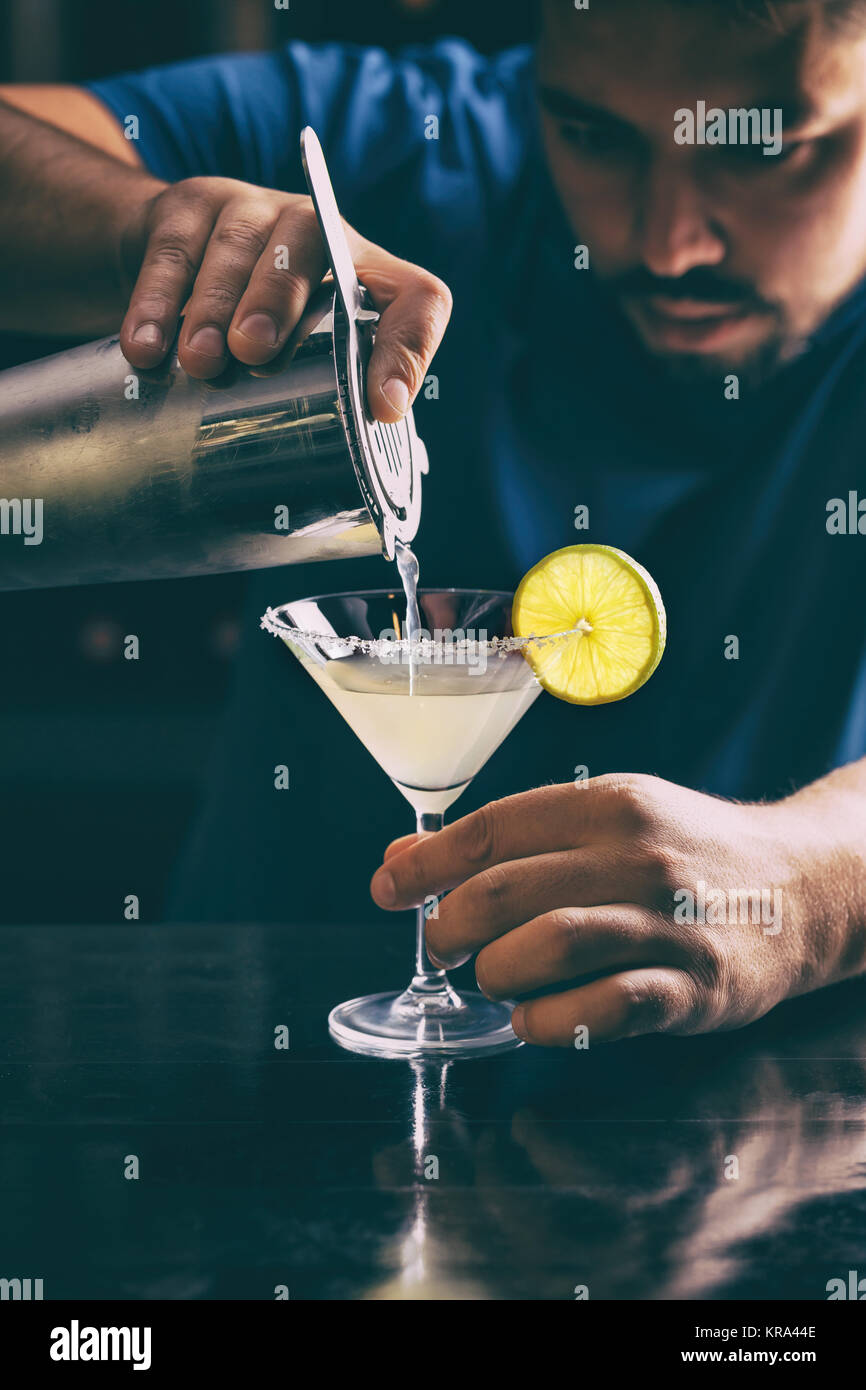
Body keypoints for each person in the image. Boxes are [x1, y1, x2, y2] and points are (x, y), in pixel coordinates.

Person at [1, 0, 865, 1047]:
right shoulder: (395, 138)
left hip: (779, 1135)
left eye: (761, 147)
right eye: (591, 136)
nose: (668, 242)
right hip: (254, 1075)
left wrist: (815, 886)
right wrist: (152, 233)